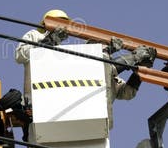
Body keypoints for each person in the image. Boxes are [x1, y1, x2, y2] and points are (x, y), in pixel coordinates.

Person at [14, 9, 157, 103]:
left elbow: (127, 92)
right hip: (40, 100)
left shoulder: (102, 75)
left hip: (91, 115)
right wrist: (48, 41)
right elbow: (20, 56)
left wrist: (140, 71)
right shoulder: (37, 37)